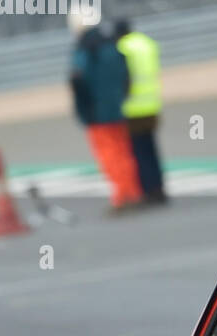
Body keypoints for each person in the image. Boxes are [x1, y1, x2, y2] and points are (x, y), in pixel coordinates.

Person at [68, 11, 141, 214]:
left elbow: (79, 81)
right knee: (124, 151)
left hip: (97, 113)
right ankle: (132, 192)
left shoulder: (84, 49)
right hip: (116, 108)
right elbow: (124, 74)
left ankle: (120, 197)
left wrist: (84, 110)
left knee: (108, 155)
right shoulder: (111, 44)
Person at [114, 19, 167, 204]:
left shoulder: (122, 47)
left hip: (133, 108)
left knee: (139, 153)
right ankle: (160, 188)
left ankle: (148, 191)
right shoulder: (146, 43)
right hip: (152, 104)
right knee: (152, 150)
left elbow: (123, 78)